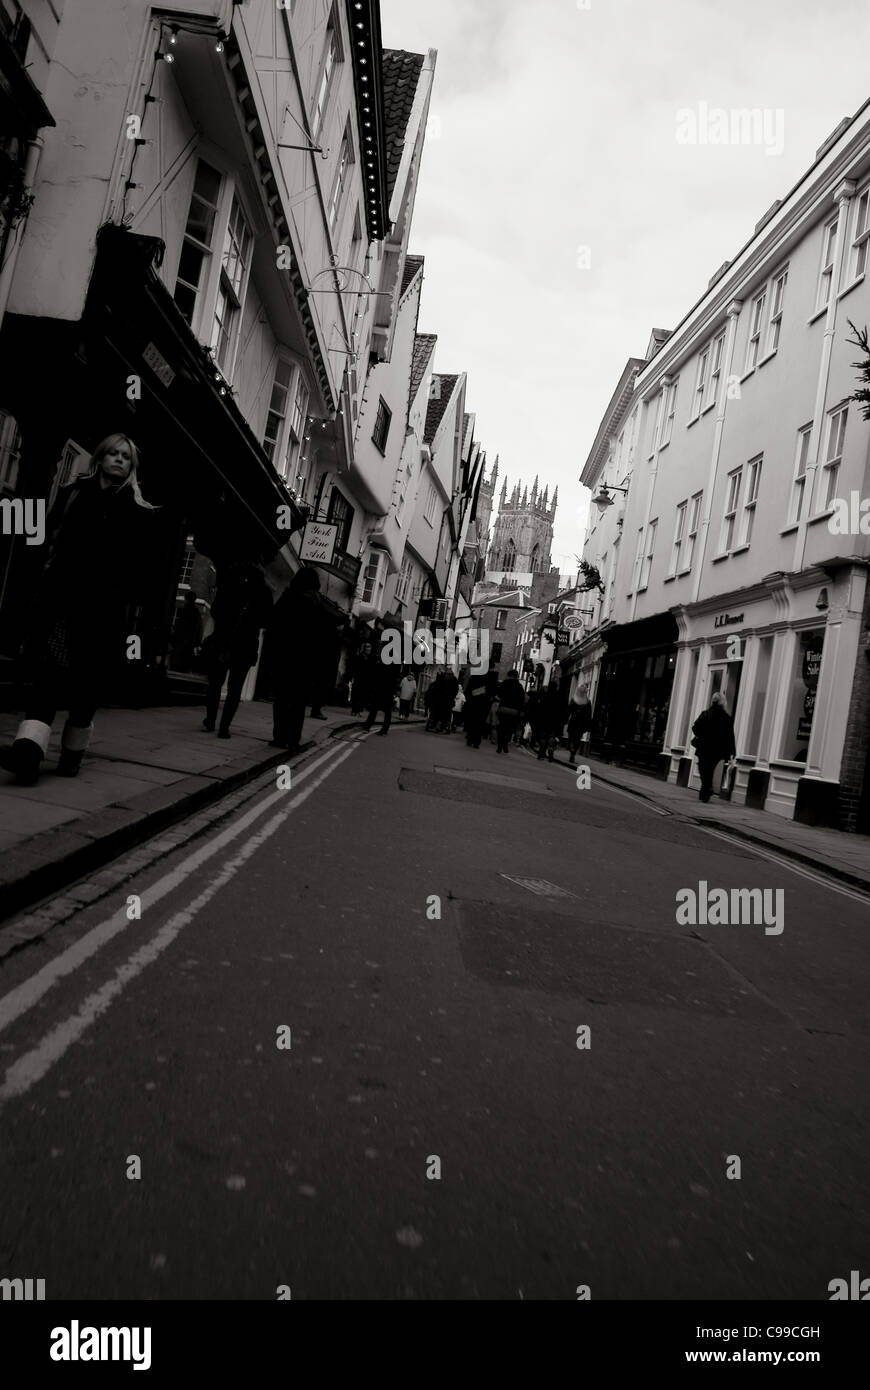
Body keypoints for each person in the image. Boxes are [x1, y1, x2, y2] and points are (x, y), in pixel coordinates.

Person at [0, 433, 156, 784]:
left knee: (85, 693)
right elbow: (44, 540)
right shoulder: (73, 494)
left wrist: (132, 624)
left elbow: (141, 573)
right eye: (113, 454)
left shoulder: (138, 511)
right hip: (59, 605)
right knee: (46, 682)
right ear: (100, 458)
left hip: (102, 616)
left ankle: (71, 756)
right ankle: (27, 755)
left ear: (132, 466)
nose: (118, 460)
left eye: (125, 457)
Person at [202, 561, 273, 738]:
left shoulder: (230, 584)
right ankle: (224, 728)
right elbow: (266, 621)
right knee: (235, 689)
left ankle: (210, 719)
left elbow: (216, 611)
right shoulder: (264, 592)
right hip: (245, 645)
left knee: (215, 682)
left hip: (223, 640)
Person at [269, 567, 326, 752]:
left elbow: (274, 625)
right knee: (298, 702)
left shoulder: (289, 598)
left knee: (281, 699)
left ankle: (279, 737)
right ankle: (293, 739)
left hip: (285, 657)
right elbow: (320, 639)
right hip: (305, 663)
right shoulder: (318, 605)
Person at [691, 692, 736, 803]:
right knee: (710, 768)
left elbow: (695, 728)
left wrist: (702, 736)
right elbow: (730, 735)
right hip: (718, 749)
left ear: (713, 701)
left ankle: (707, 789)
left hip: (704, 747)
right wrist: (732, 751)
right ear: (723, 702)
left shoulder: (706, 714)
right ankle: (705, 791)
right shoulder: (726, 718)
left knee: (703, 768)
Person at [364, 621, 401, 736]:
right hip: (386, 685)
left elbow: (383, 669)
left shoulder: (389, 653)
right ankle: (381, 729)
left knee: (379, 708)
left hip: (385, 685)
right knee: (384, 709)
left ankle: (371, 726)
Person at [537, 670, 568, 761]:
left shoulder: (545, 696)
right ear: (556, 688)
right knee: (551, 736)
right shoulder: (559, 697)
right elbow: (563, 710)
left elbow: (540, 708)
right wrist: (562, 720)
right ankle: (550, 749)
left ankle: (541, 753)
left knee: (543, 736)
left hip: (544, 719)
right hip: (555, 721)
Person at [170, 591, 203, 672]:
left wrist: (173, 637)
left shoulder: (184, 611)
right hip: (189, 644)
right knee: (184, 666)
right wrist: (197, 642)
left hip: (181, 642)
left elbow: (179, 627)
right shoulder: (196, 613)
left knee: (176, 665)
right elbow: (198, 629)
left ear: (186, 599)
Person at [494, 668, 525, 754]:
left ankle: (499, 746)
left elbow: (498, 695)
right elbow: (522, 700)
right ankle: (505, 743)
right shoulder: (519, 687)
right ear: (517, 676)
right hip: (514, 711)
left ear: (509, 675)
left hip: (503, 709)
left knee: (501, 728)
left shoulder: (504, 684)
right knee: (510, 729)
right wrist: (521, 712)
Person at [566, 684, 593, 765]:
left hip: (573, 722)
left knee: (571, 737)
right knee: (577, 739)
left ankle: (571, 749)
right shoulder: (587, 702)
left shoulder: (574, 699)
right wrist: (588, 726)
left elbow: (569, 710)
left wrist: (566, 719)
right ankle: (573, 753)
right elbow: (589, 715)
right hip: (581, 724)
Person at [464, 669, 490, 748]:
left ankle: (471, 739)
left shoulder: (474, 678)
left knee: (472, 721)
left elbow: (468, 691)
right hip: (481, 705)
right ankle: (476, 741)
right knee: (479, 723)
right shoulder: (487, 679)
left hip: (474, 704)